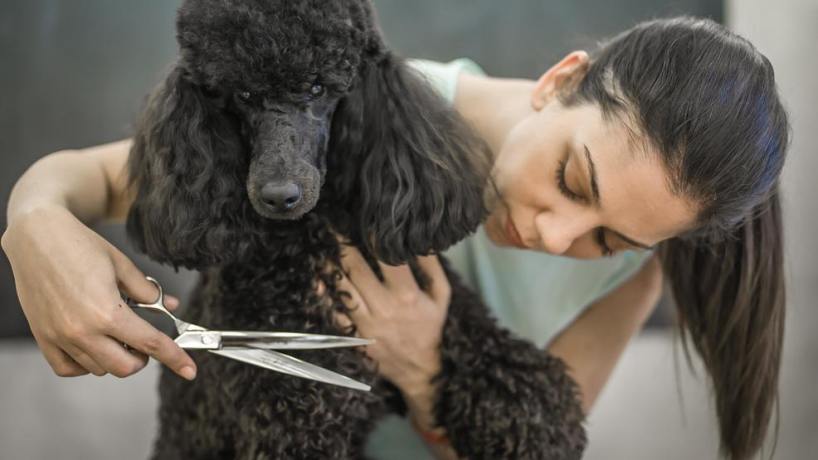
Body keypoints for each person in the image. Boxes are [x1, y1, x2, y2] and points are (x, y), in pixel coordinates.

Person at [1, 16, 787, 460]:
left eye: (609, 238)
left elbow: (522, 449)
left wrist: (425, 366)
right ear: (560, 81)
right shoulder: (364, 105)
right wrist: (33, 219)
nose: (553, 235)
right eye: (573, 181)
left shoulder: (639, 274)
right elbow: (95, 177)